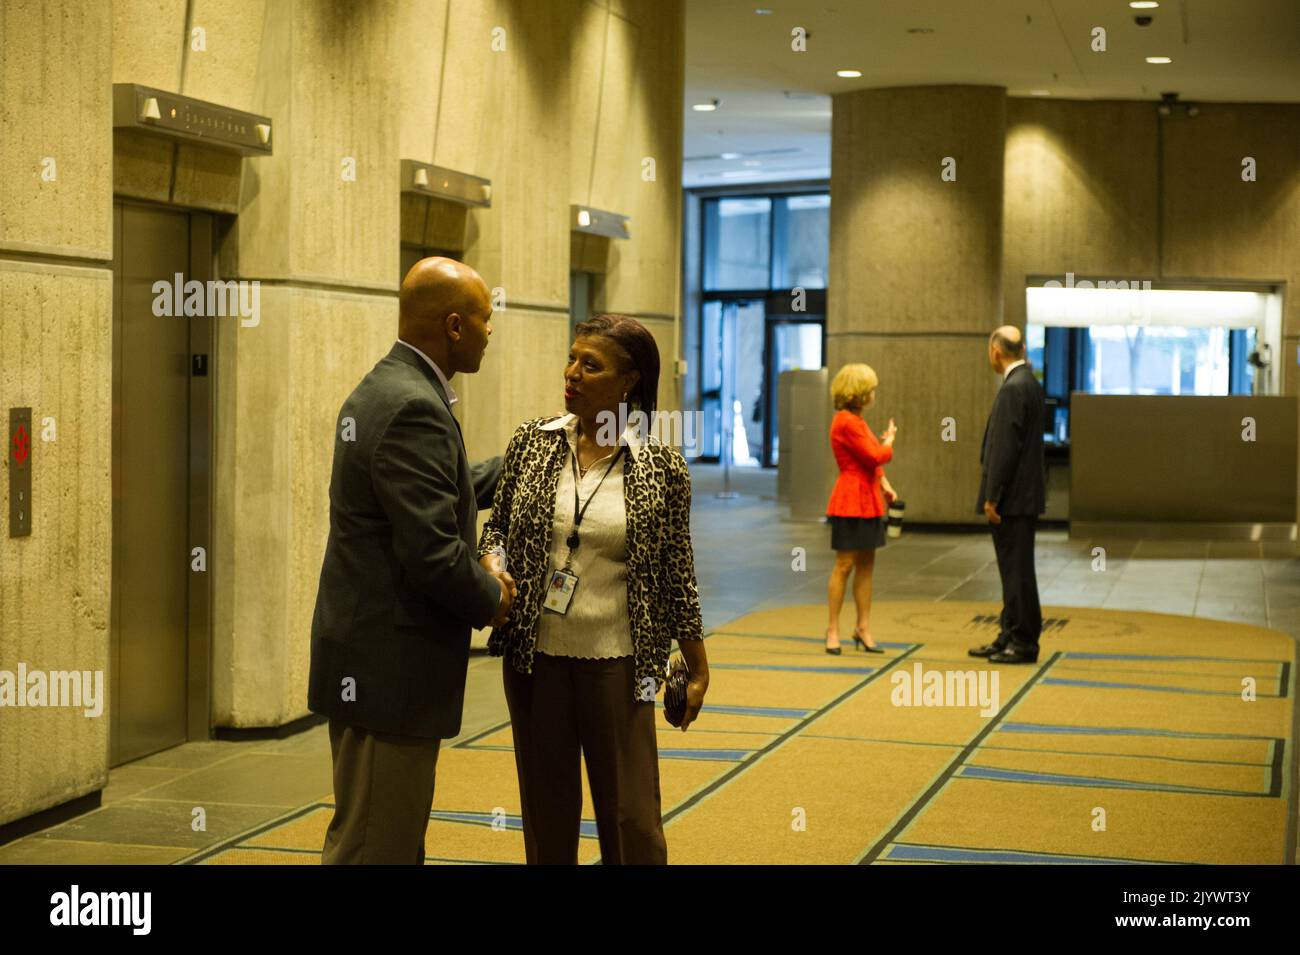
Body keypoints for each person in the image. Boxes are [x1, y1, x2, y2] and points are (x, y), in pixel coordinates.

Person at [478, 313, 709, 865]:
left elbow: (678, 572)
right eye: (572, 358)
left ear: (629, 380)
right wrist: (491, 561)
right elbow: (498, 525)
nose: (572, 372)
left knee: (631, 818)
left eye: (591, 364)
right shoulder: (532, 442)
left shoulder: (661, 465)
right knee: (547, 809)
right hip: (535, 661)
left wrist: (697, 666)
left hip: (623, 664)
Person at [307, 257, 515, 864]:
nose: (489, 332)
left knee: (382, 837)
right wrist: (495, 597)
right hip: (388, 670)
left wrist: (525, 455)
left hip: (371, 661)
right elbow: (432, 552)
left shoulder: (393, 387)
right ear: (454, 326)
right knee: (376, 846)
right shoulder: (412, 406)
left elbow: (435, 491)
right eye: (484, 319)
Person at [968, 325, 1047, 665]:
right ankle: (1010, 633)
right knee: (1015, 569)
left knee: (1016, 571)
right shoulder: (1029, 383)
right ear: (1023, 348)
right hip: (1024, 495)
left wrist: (992, 495)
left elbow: (1004, 449)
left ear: (995, 351)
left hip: (1012, 498)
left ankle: (1022, 641)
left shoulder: (1013, 389)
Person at [824, 364, 897, 654]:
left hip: (867, 499)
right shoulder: (846, 422)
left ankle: (862, 627)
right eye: (871, 389)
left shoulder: (856, 420)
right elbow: (875, 454)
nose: (874, 394)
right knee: (844, 565)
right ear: (859, 392)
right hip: (850, 500)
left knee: (866, 566)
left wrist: (884, 484)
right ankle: (833, 629)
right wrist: (889, 440)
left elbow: (871, 464)